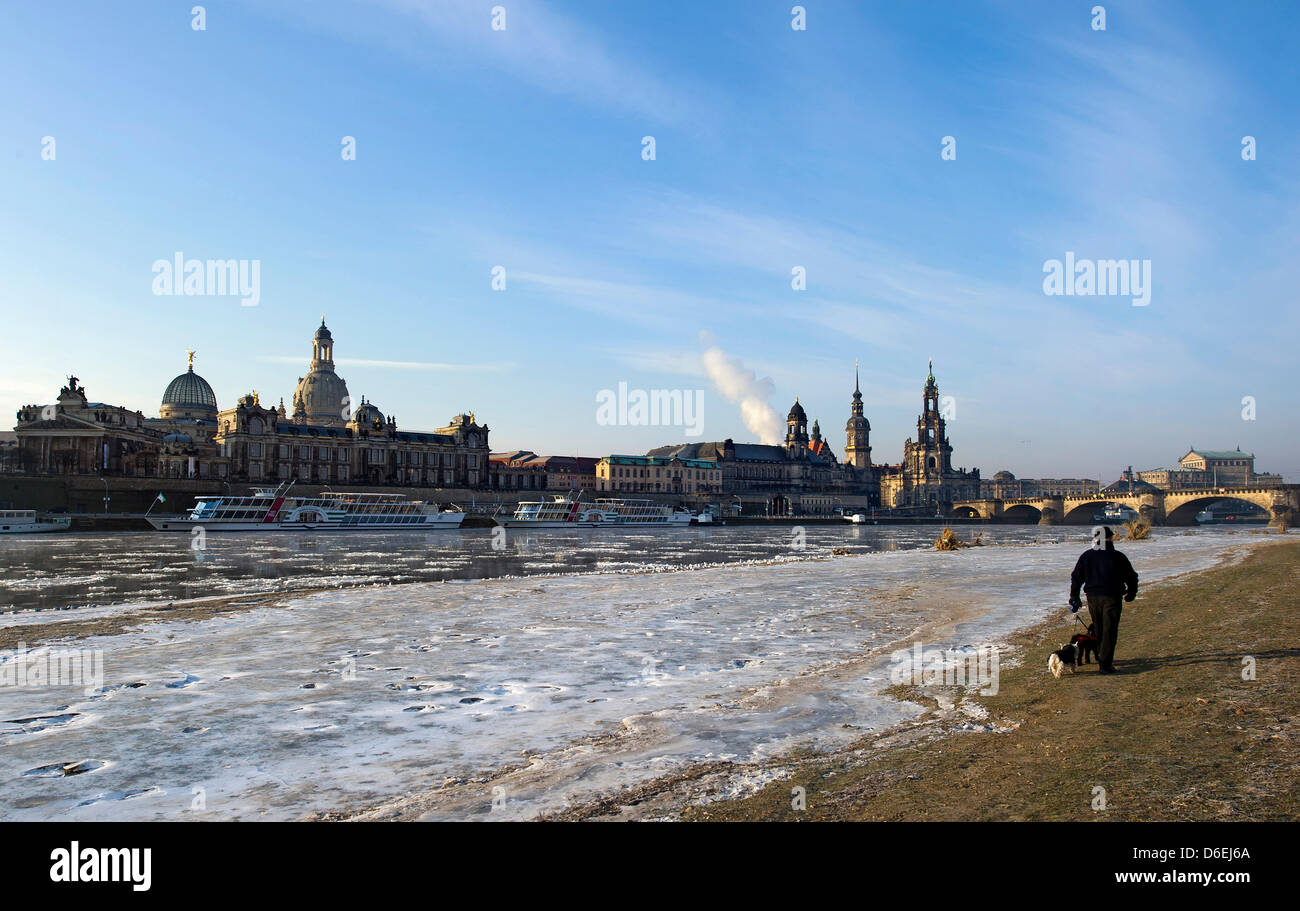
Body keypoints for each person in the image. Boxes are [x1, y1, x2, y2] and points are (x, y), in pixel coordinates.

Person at [1068, 526, 1139, 674]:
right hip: (1112, 596)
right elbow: (1131, 577)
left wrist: (1074, 596)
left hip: (1093, 597)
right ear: (1111, 539)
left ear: (1095, 539)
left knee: (1098, 628)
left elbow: (1076, 577)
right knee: (1110, 630)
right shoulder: (1118, 556)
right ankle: (1105, 664)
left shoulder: (1086, 556)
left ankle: (1102, 657)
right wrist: (1131, 593)